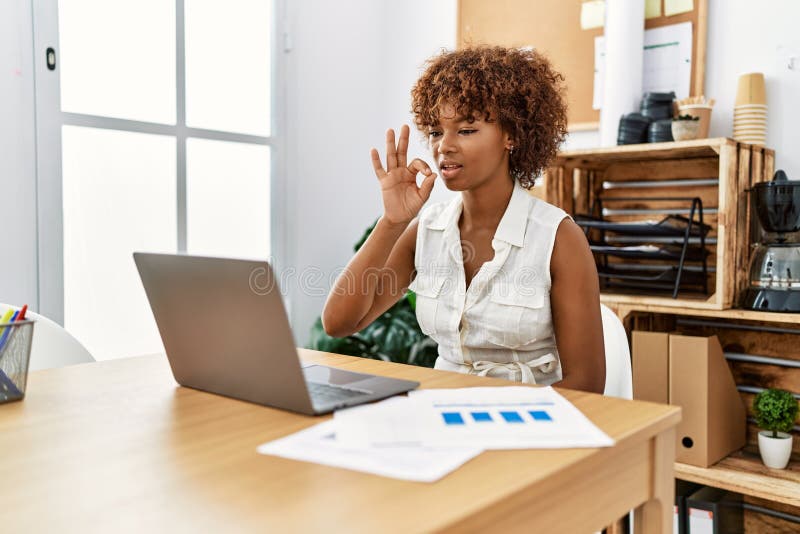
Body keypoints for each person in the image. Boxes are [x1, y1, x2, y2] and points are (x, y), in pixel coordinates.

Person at [322, 46, 605, 393]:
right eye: (437, 131)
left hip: (525, 421)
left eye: (466, 130)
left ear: (511, 135)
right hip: (440, 414)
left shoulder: (557, 238)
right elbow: (339, 322)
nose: (444, 146)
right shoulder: (426, 230)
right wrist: (392, 223)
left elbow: (587, 384)